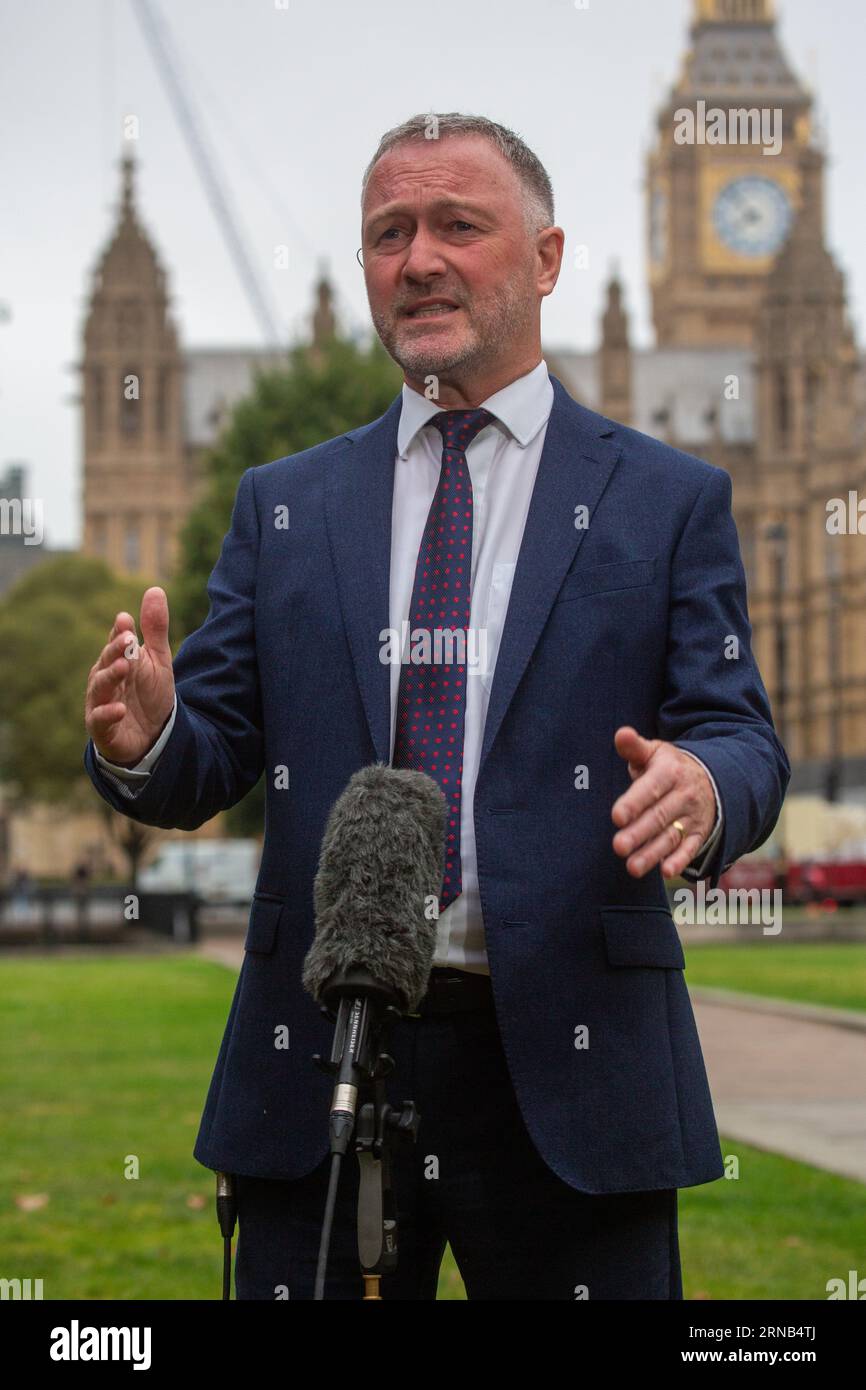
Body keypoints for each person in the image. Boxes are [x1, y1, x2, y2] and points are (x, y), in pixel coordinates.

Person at [83, 113, 789, 1300]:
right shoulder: (283, 504)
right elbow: (209, 755)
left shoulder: (665, 499)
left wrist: (706, 785)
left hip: (572, 1067)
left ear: (546, 259)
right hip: (320, 1059)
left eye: (458, 225)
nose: (417, 259)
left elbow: (741, 735)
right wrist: (148, 734)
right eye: (388, 233)